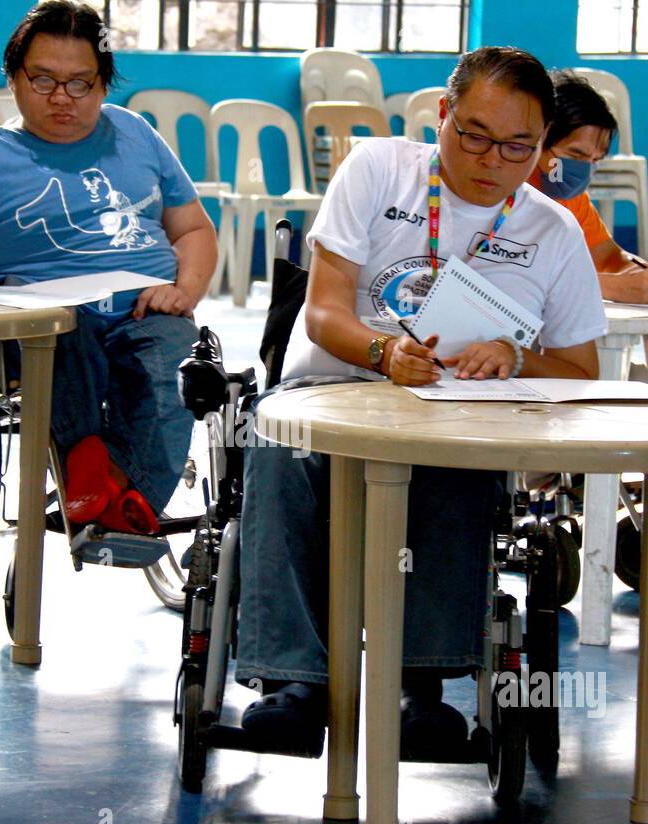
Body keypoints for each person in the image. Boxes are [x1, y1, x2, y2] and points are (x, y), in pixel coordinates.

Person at [236, 48, 607, 759]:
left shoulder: (552, 231)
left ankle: (422, 687)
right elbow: (322, 312)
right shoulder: (377, 171)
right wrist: (381, 353)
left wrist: (516, 355)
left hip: (458, 412)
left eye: (518, 147)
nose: (492, 159)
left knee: (455, 469)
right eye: (472, 133)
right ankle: (294, 682)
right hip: (335, 389)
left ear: (542, 148)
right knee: (278, 451)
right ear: (442, 114)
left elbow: (582, 368)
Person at [0, 1, 217, 534]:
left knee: (171, 365)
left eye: (80, 83)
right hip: (46, 318)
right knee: (59, 339)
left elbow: (193, 229)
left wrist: (185, 290)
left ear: (104, 84)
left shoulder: (137, 135)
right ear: (12, 79)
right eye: (43, 80)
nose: (62, 97)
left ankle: (119, 504)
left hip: (147, 309)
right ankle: (97, 486)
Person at [529, 70, 648, 307]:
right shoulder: (503, 188)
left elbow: (609, 257)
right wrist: (611, 287)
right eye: (576, 154)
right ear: (539, 138)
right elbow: (506, 276)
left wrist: (644, 272)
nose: (584, 169)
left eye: (595, 160)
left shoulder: (569, 197)